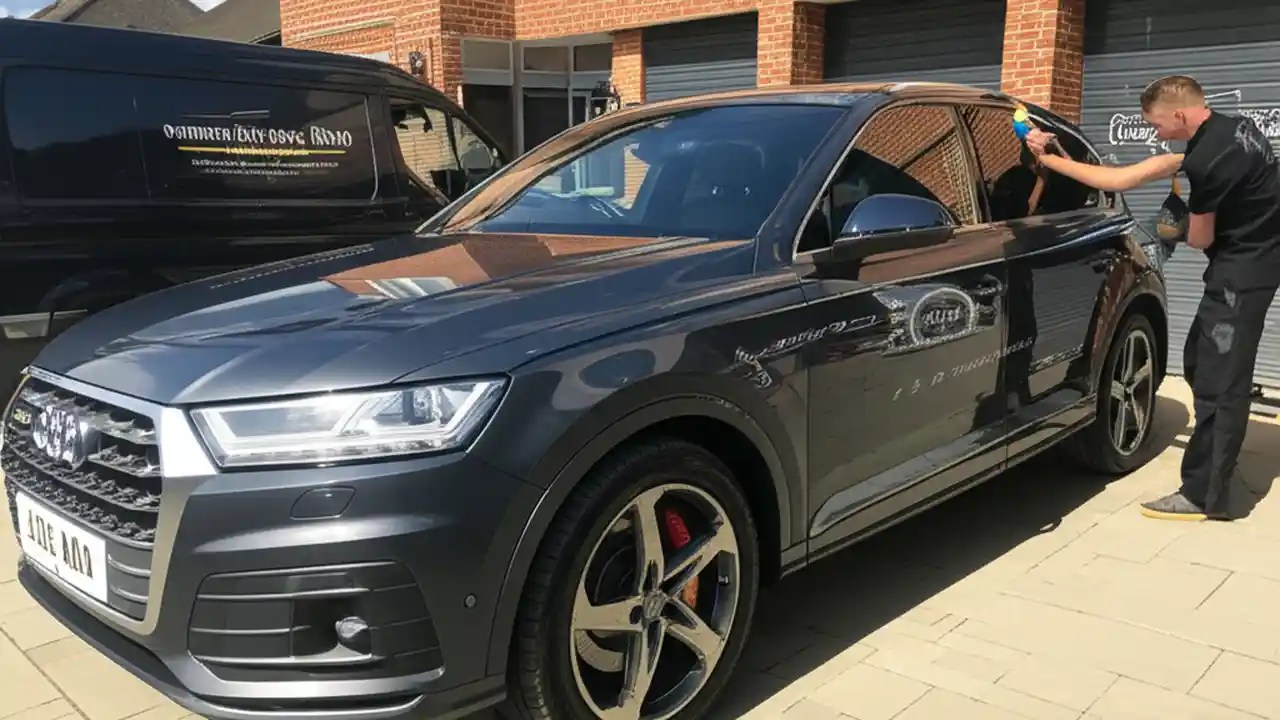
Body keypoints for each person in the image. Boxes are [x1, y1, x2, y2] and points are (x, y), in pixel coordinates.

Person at [1024, 75, 1280, 521]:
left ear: (1179, 114)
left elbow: (1200, 239)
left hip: (1244, 274)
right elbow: (1122, 178)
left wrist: (1174, 226)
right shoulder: (1231, 129)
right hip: (1253, 261)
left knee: (1220, 381)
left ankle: (1205, 494)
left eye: (1157, 125)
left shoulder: (1209, 160)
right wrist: (1050, 158)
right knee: (1198, 360)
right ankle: (1221, 449)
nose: (1156, 134)